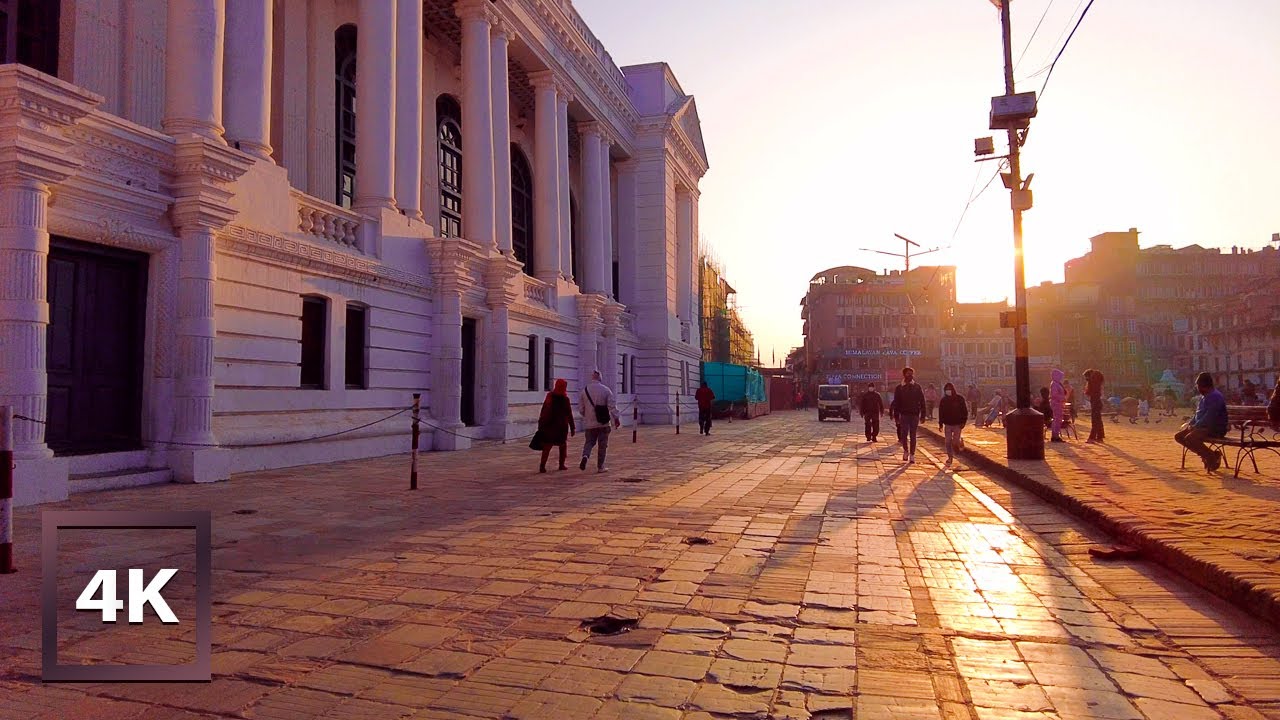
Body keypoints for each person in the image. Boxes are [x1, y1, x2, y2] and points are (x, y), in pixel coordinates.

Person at [1175, 372, 1229, 471]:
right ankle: (1209, 455)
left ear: (1203, 386)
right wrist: (1191, 423)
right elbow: (1198, 414)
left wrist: (1196, 426)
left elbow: (1210, 416)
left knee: (1191, 438)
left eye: (1198, 386)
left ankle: (1210, 458)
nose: (1197, 389)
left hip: (1215, 428)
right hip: (1203, 427)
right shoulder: (1205, 396)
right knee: (1179, 437)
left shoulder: (1215, 396)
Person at [579, 369, 621, 473]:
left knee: (589, 442)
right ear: (600, 377)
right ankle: (600, 466)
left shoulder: (584, 390)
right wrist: (616, 418)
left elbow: (581, 409)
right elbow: (612, 406)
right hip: (603, 423)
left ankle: (585, 456)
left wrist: (587, 416)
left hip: (590, 423)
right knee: (602, 445)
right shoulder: (606, 390)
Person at [534, 379, 575, 472]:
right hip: (561, 427)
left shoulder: (550, 396)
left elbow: (544, 410)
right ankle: (561, 464)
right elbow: (569, 414)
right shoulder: (565, 399)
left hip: (549, 426)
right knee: (562, 446)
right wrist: (572, 427)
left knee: (547, 447)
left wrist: (541, 424)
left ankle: (542, 466)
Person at [892, 366, 926, 463]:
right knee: (903, 434)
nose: (910, 375)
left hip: (914, 414)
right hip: (904, 415)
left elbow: (922, 401)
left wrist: (923, 415)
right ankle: (905, 451)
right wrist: (896, 416)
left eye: (911, 373)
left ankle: (912, 454)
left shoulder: (917, 387)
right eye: (908, 373)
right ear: (904, 374)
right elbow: (896, 403)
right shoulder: (899, 388)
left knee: (913, 435)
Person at [938, 382, 968, 464]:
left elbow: (964, 411)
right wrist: (940, 424)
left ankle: (960, 443)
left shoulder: (959, 399)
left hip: (957, 424)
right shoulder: (943, 400)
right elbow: (941, 413)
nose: (948, 391)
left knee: (955, 442)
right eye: (947, 390)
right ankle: (950, 457)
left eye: (949, 389)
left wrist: (963, 421)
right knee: (947, 442)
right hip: (947, 424)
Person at [1084, 368, 1105, 443]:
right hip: (1097, 402)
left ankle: (1092, 437)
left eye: (1086, 378)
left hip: (1095, 402)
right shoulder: (1097, 382)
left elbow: (1090, 393)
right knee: (1098, 420)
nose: (1086, 380)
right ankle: (1100, 436)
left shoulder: (1093, 383)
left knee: (1095, 420)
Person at [1049, 369, 1066, 442]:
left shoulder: (1057, 383)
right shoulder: (1054, 384)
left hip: (1058, 403)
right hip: (1056, 403)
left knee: (1058, 419)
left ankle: (1056, 435)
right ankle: (1055, 435)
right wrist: (1062, 398)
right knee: (1057, 419)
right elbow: (1054, 395)